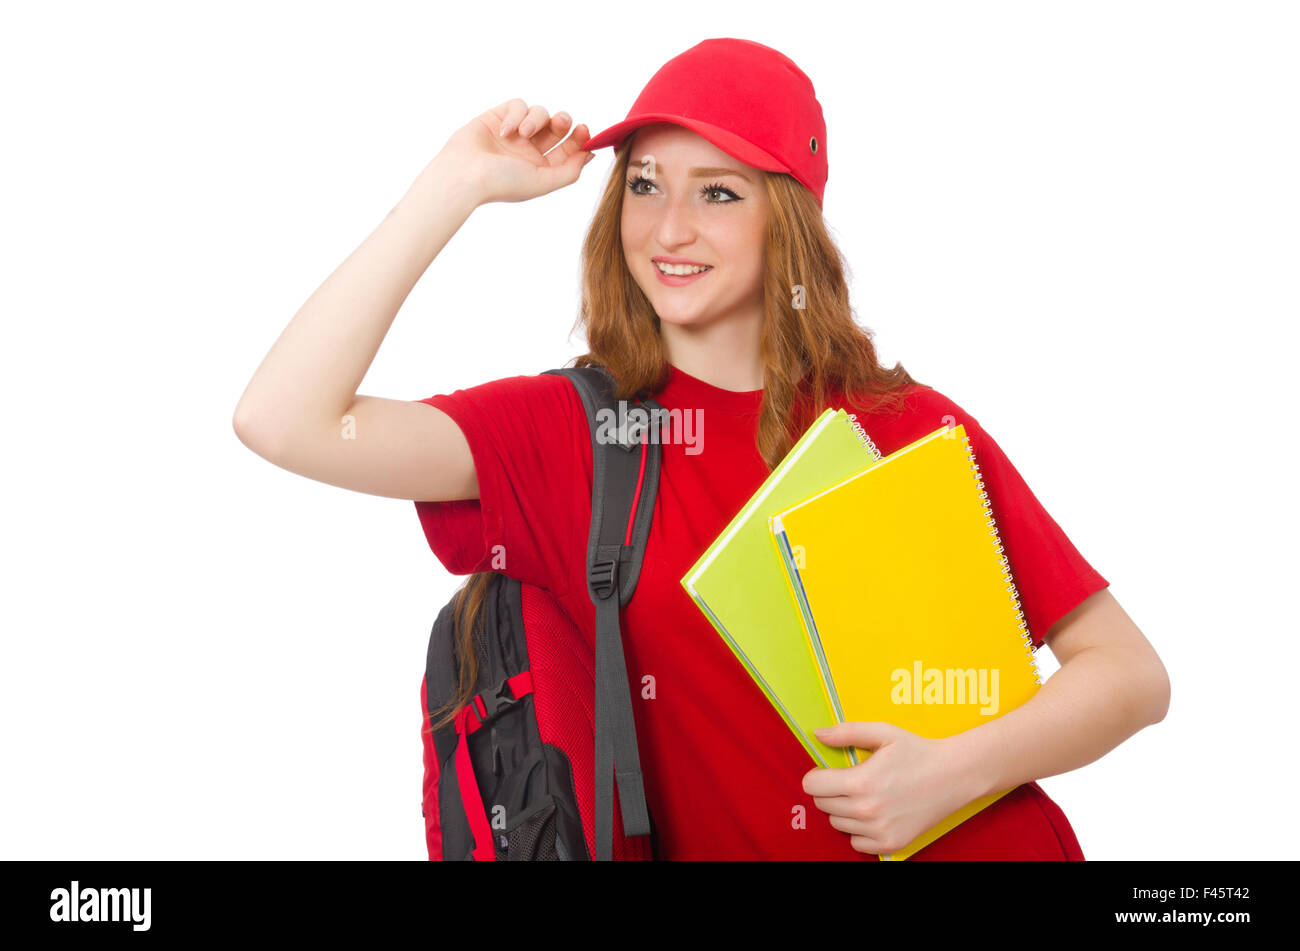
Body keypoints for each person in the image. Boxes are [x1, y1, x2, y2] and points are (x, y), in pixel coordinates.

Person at [233, 37, 1170, 860]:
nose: (669, 229)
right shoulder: (571, 435)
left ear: (788, 224)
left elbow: (1129, 674)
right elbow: (285, 419)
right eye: (644, 184)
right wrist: (456, 182)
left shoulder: (904, 423)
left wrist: (952, 773)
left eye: (717, 192)